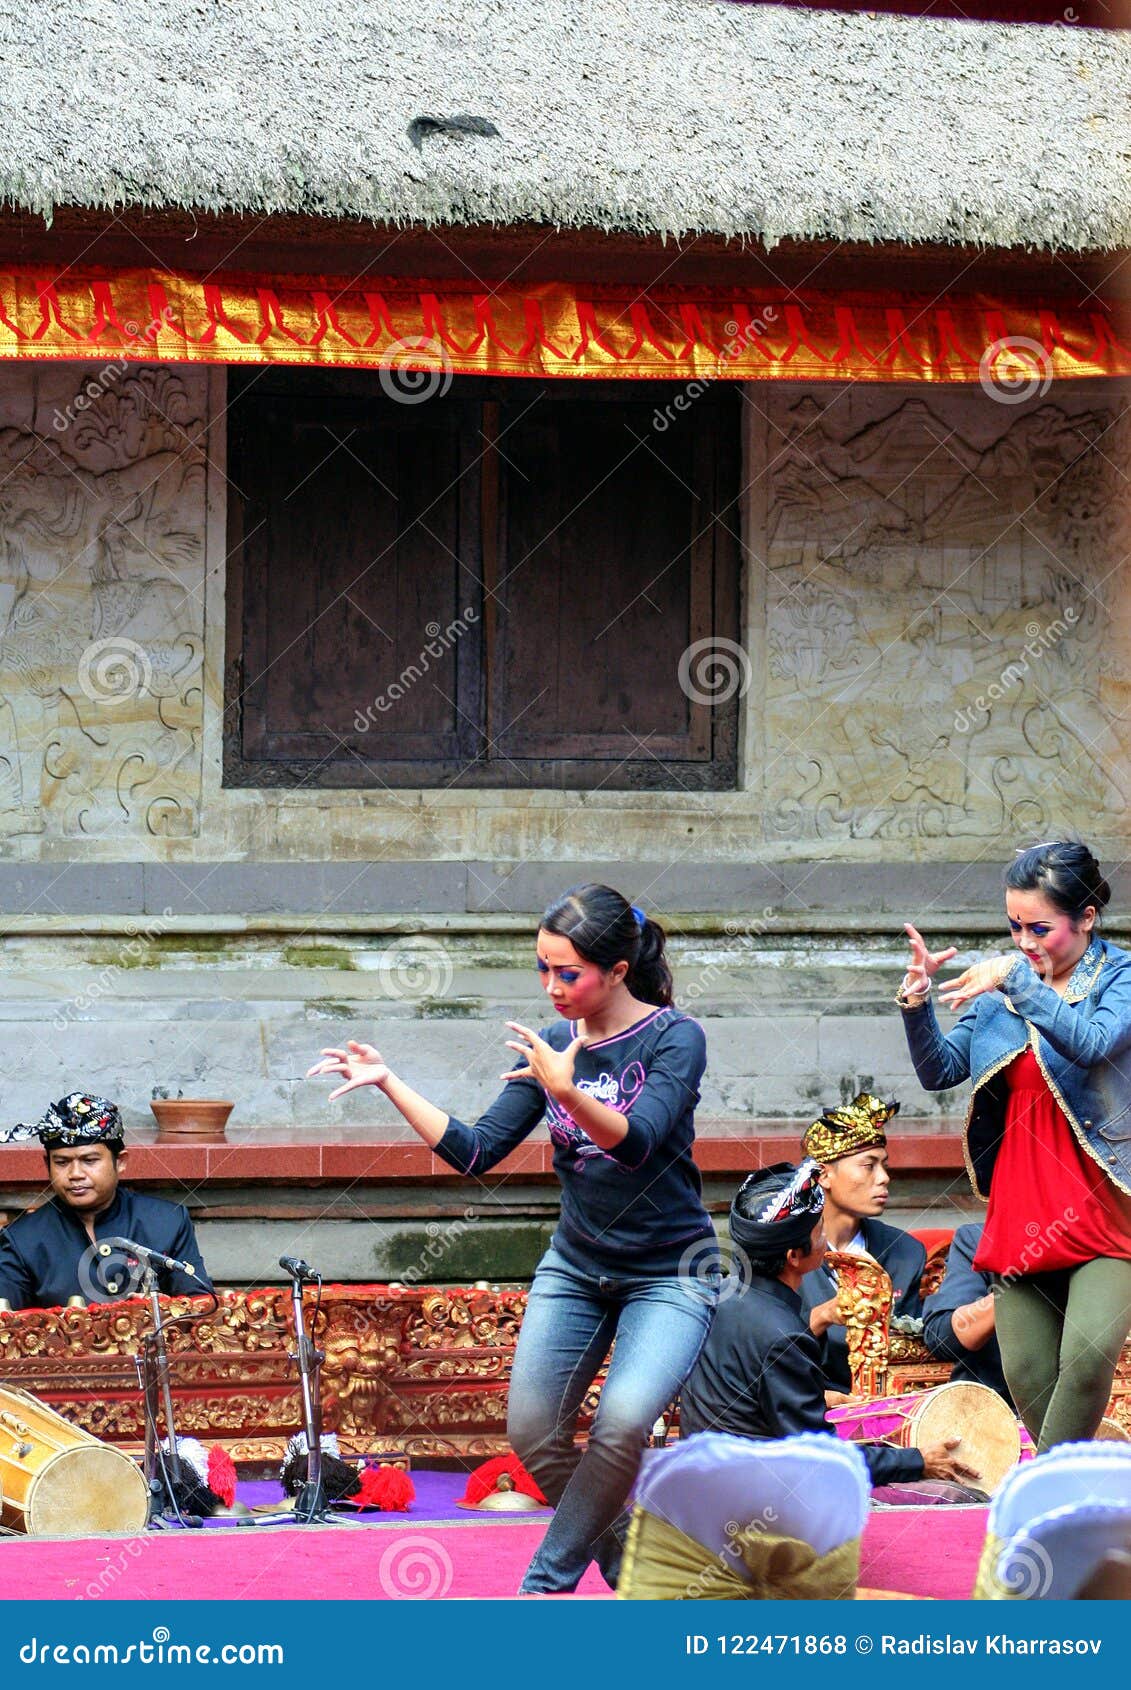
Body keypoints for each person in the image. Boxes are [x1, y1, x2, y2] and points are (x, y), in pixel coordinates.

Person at [307, 883, 719, 1594]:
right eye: (542, 968)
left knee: (620, 1426)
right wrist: (389, 1083)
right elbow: (475, 1150)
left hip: (670, 1272)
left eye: (568, 973)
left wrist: (568, 1093)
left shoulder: (674, 1038)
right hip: (577, 1268)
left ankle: (542, 1588)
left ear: (617, 970)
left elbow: (638, 1142)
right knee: (533, 1434)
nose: (551, 987)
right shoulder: (553, 1045)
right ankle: (640, 1569)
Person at [898, 839, 1131, 1451]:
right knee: (1027, 1374)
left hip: (1105, 1203)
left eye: (1039, 927)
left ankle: (1041, 1494)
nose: (1024, 941)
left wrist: (1019, 981)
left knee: (1086, 1359)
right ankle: (1071, 1500)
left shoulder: (1120, 977)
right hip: (1023, 1210)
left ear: (1085, 918)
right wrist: (917, 1001)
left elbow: (1091, 1042)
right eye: (1013, 926)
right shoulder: (1004, 986)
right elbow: (941, 1070)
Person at [679, 1164, 977, 1488]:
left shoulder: (718, 1302)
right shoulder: (783, 1336)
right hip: (753, 1502)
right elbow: (819, 1459)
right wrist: (918, 1461)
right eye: (819, 1232)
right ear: (794, 1256)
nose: (826, 1240)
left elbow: (751, 1389)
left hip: (703, 1484)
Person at [0, 1093, 212, 1309]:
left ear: (120, 1161)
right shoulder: (22, 1240)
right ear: (48, 1164)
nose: (75, 1174)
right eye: (62, 1162)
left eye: (89, 1160)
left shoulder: (167, 1222)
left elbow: (201, 1310)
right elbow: (6, 1327)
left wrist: (158, 1310)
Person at [796, 1093, 926, 1392]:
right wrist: (823, 1316)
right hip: (803, 1407)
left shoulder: (905, 1252)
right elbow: (758, 1351)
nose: (883, 1178)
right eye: (868, 1166)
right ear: (824, 1175)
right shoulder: (785, 1250)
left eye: (884, 1165)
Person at [922, 1222, 1014, 1408]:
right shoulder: (979, 1240)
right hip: (994, 1412)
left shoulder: (1087, 1242)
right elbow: (942, 1338)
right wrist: (1016, 1285)